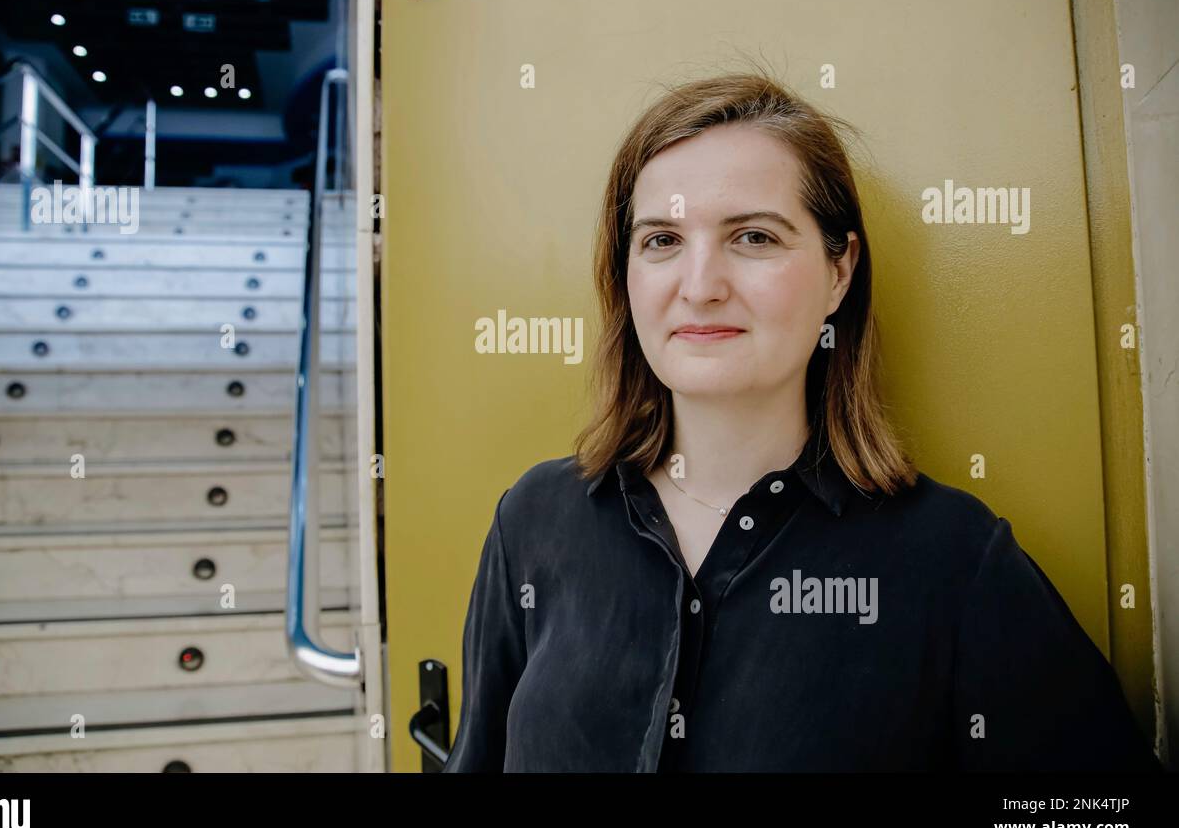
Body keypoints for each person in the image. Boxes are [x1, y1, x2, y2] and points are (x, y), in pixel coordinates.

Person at [442, 72, 1162, 772]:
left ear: (839, 271)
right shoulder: (535, 522)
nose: (700, 287)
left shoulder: (952, 561)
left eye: (753, 237)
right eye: (661, 240)